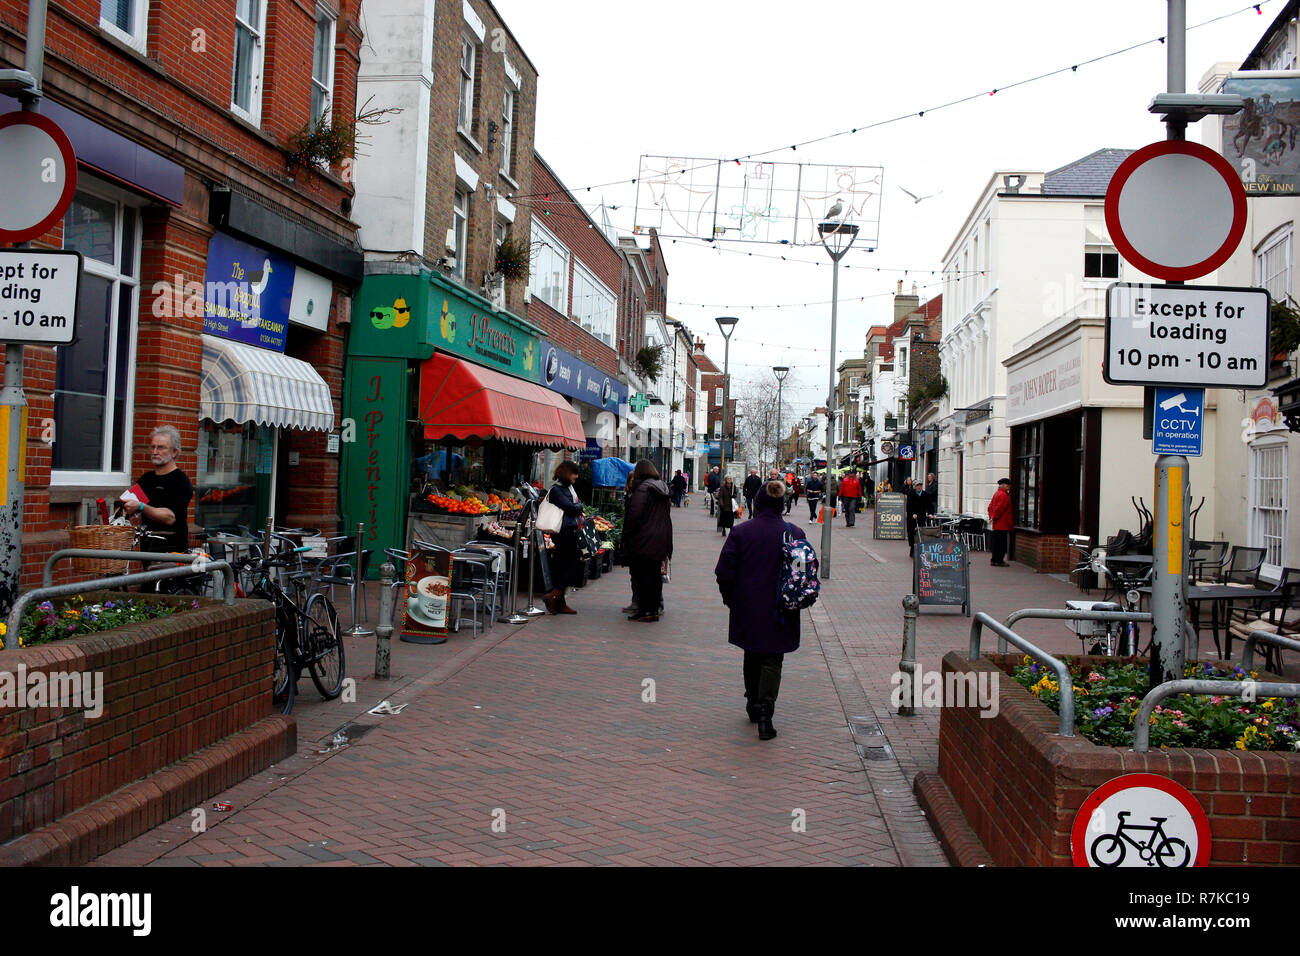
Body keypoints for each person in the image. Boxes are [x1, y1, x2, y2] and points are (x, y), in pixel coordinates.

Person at [715, 479, 808, 741]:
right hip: (782, 607)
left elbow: (724, 572)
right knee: (772, 658)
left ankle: (753, 703)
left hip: (748, 605)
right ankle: (766, 712)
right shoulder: (795, 533)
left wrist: (730, 598)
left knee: (752, 652)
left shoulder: (742, 532)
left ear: (757, 502)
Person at [123, 425, 194, 553]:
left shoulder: (181, 481)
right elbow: (127, 505)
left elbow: (170, 517)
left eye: (161, 447)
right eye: (153, 447)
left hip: (172, 551)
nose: (155, 452)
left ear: (174, 452)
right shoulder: (146, 479)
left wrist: (141, 507)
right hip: (148, 549)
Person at [623, 459, 673, 622]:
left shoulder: (642, 489)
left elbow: (634, 516)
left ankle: (644, 611)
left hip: (644, 538)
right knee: (654, 576)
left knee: (642, 576)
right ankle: (653, 610)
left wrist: (626, 537)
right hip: (661, 537)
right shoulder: (662, 487)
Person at [543, 460, 585, 614]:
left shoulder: (569, 488)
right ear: (568, 473)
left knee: (563, 567)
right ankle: (553, 596)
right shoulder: (556, 490)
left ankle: (559, 602)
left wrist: (577, 507)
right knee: (571, 565)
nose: (577, 476)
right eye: (575, 473)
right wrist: (578, 507)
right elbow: (571, 507)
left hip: (570, 530)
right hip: (563, 532)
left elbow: (575, 506)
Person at [988, 477, 1013, 567]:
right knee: (1001, 544)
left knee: (996, 543)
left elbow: (990, 507)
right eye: (1009, 485)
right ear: (1005, 485)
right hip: (1002, 524)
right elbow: (999, 509)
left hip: (996, 524)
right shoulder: (1004, 495)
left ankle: (994, 560)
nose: (1010, 487)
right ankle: (999, 560)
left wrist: (991, 517)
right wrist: (994, 517)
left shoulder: (996, 494)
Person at [905, 477, 926, 557]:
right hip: (912, 517)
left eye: (920, 485)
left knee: (921, 533)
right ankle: (912, 550)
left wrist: (930, 513)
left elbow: (929, 505)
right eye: (917, 485)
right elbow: (909, 506)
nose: (919, 487)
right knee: (912, 534)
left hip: (921, 516)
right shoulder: (911, 494)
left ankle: (920, 549)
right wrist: (912, 513)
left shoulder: (924, 494)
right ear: (915, 486)